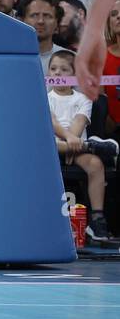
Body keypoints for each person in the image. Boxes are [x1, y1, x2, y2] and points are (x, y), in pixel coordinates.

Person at [47, 50, 116, 243]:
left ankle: (97, 219)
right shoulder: (44, 97)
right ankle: (92, 146)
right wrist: (71, 142)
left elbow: (79, 122)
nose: (57, 74)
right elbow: (52, 122)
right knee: (47, 147)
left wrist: (72, 144)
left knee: (95, 165)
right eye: (53, 69)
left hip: (76, 146)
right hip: (52, 147)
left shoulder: (83, 98)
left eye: (64, 70)